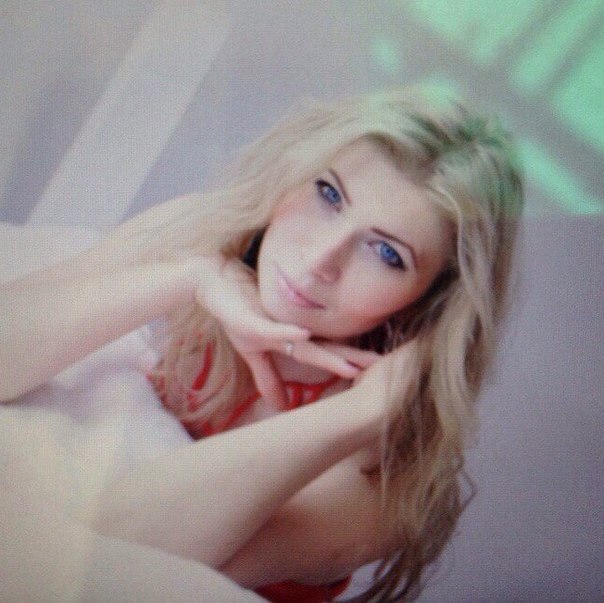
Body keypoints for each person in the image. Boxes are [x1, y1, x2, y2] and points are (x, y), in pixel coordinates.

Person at [0, 88, 523, 601]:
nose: (319, 259)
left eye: (386, 253)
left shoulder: (382, 471)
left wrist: (359, 412)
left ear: (428, 303)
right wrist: (192, 277)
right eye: (329, 194)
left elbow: (110, 553)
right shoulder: (201, 233)